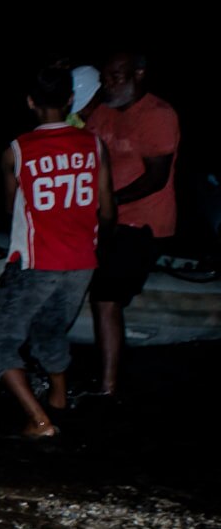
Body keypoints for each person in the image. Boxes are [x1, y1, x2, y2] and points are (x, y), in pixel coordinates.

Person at [0, 65, 114, 438]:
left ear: (30, 102)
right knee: (51, 334)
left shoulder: (16, 150)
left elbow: (9, 208)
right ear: (70, 100)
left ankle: (39, 420)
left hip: (36, 262)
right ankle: (58, 398)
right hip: (82, 263)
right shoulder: (95, 145)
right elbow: (107, 210)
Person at [82, 51, 180, 399]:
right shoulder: (102, 112)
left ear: (139, 73)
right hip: (103, 220)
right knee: (89, 287)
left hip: (143, 222)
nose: (108, 83)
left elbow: (155, 179)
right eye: (105, 76)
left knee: (106, 296)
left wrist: (106, 204)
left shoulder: (158, 115)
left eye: (116, 76)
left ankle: (108, 387)